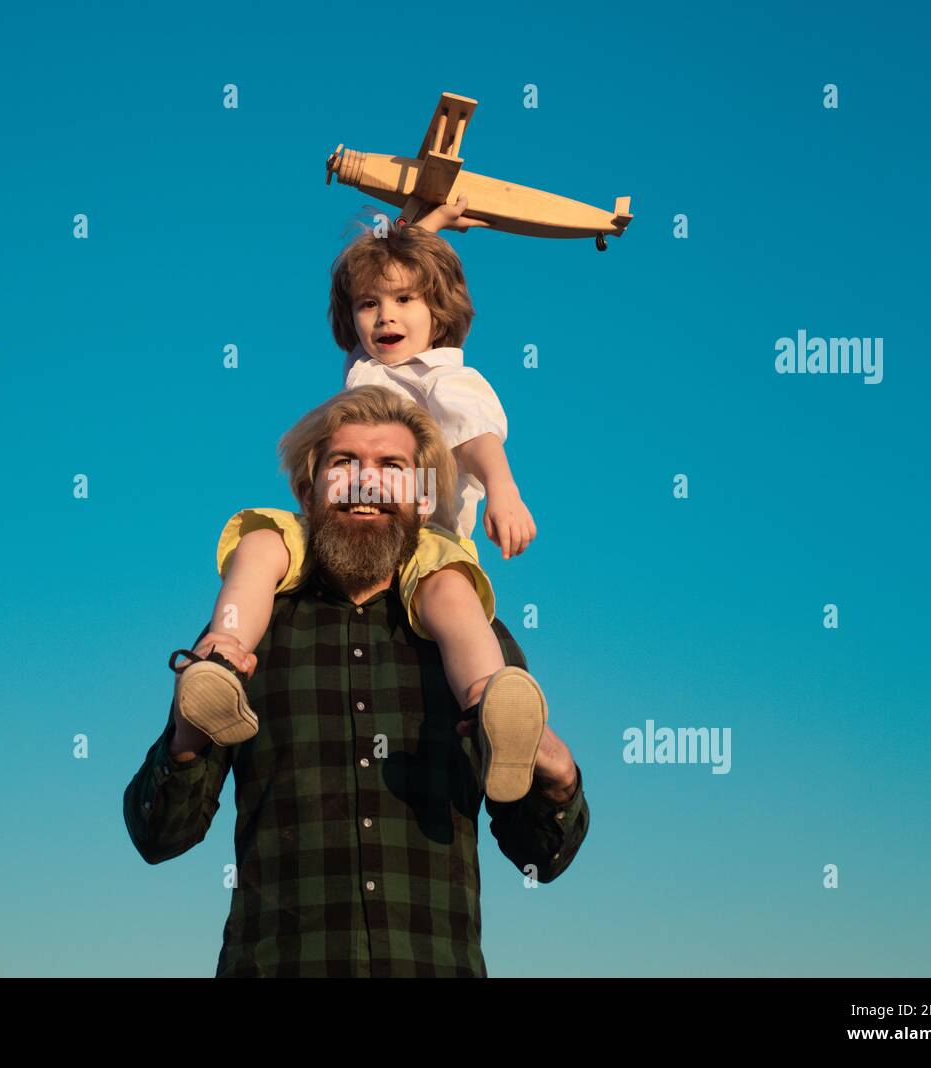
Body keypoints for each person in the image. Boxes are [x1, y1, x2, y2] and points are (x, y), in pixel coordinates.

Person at [123, 386, 589, 977]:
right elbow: (158, 835)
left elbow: (540, 855)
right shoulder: (250, 630)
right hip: (278, 965)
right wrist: (187, 736)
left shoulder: (472, 636)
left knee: (504, 714)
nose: (367, 482)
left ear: (424, 502)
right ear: (306, 492)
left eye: (392, 468)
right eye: (344, 464)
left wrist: (557, 774)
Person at [174, 201, 545, 801]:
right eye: (368, 305)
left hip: (422, 528)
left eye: (403, 302)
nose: (383, 316)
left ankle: (489, 707)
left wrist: (504, 492)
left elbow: (476, 436)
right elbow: (397, 271)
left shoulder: (444, 377)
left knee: (449, 591)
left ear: (440, 311)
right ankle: (222, 658)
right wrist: (427, 228)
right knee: (263, 540)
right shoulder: (370, 367)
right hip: (350, 520)